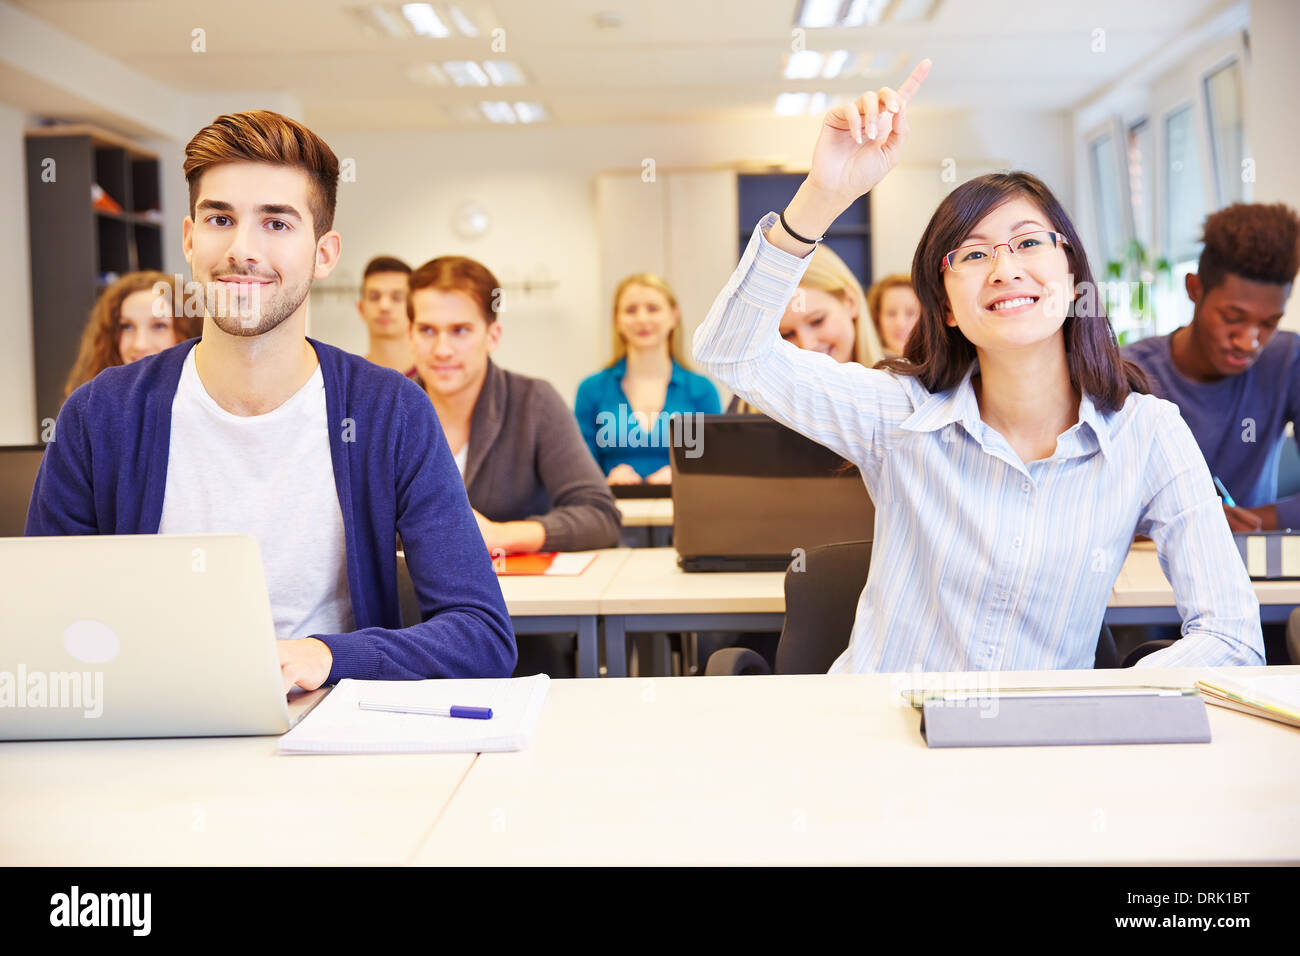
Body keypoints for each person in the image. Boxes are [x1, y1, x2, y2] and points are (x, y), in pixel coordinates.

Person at [693, 59, 1263, 671]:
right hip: (879, 743)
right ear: (947, 310)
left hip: (1036, 749)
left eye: (1027, 242)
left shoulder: (1147, 433)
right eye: (972, 254)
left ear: (1072, 279)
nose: (1004, 267)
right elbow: (731, 352)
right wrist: (822, 196)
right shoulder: (899, 414)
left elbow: (1231, 638)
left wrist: (1103, 699)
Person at [26, 109, 515, 690]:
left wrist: (330, 656)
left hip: (329, 730)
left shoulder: (391, 411)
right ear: (189, 238)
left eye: (277, 224)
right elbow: (41, 628)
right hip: (152, 731)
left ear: (324, 253)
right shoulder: (100, 414)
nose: (242, 249)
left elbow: (481, 635)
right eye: (220, 219)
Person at [407, 254, 621, 554]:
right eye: (427, 330)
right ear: (411, 336)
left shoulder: (534, 403)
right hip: (413, 597)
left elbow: (600, 516)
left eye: (460, 331)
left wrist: (502, 536)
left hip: (522, 597)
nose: (442, 350)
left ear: (492, 336)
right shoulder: (388, 414)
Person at [1123, 202, 1300, 532]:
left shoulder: (1287, 361)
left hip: (1247, 563)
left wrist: (1249, 522)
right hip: (1147, 565)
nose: (1249, 342)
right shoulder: (1128, 371)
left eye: (1269, 323)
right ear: (1194, 289)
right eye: (1233, 318)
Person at [575, 273, 721, 483]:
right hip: (612, 509)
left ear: (673, 316)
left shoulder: (702, 390)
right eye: (631, 310)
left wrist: (684, 478)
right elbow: (579, 469)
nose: (642, 319)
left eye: (653, 309)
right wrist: (605, 480)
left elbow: (716, 467)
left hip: (684, 510)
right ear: (617, 319)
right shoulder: (591, 390)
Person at [727, 245, 886, 413]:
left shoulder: (901, 390)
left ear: (850, 301)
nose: (807, 346)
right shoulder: (748, 404)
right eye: (786, 334)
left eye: (817, 321)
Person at [64, 271, 200, 399]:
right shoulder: (88, 407)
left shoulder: (204, 408)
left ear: (187, 332)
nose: (139, 344)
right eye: (126, 327)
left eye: (159, 326)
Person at [357, 255, 416, 375]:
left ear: (415, 307)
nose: (384, 306)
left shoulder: (433, 379)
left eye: (397, 297)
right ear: (361, 308)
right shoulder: (349, 379)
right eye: (374, 297)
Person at [867, 273, 922, 357]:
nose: (900, 323)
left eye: (910, 313)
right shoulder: (860, 367)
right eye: (891, 314)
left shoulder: (941, 365)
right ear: (877, 319)